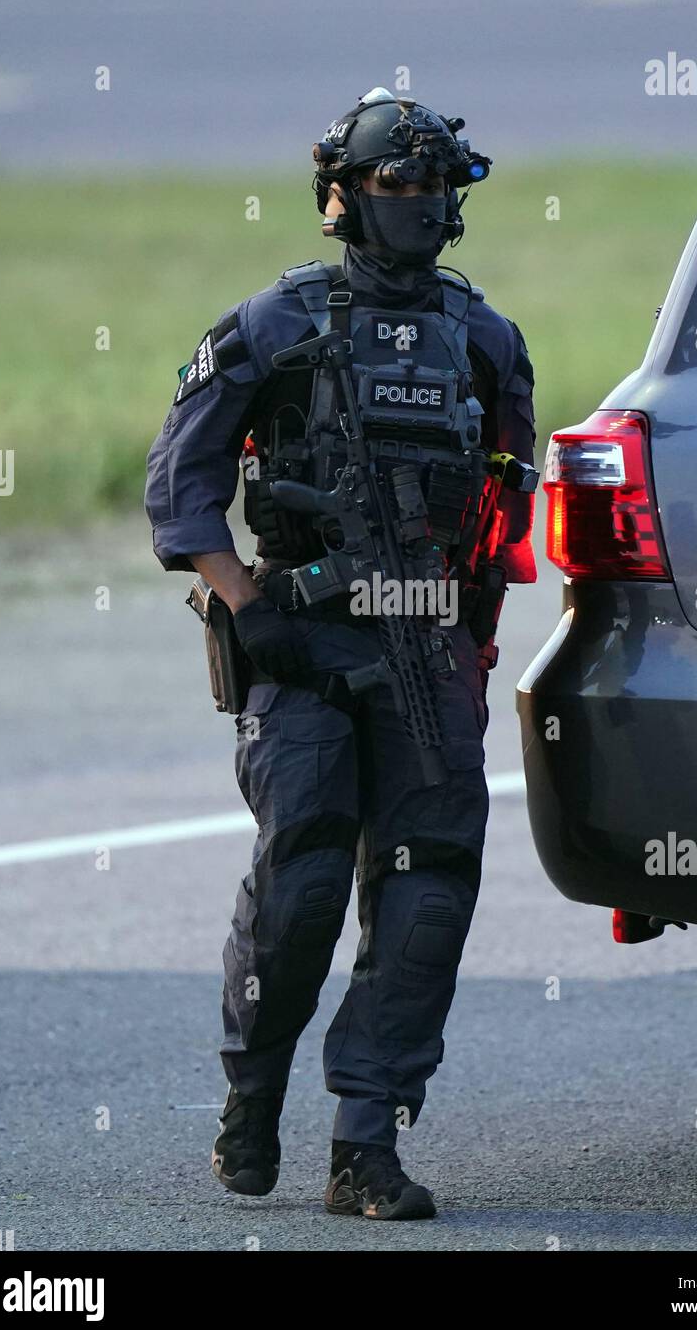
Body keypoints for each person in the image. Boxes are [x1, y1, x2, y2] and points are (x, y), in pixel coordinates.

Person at [144, 87, 537, 1221]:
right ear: (343, 197)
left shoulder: (486, 339)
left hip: (431, 657)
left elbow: (506, 513)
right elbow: (182, 488)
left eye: (434, 188)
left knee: (426, 897)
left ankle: (366, 1142)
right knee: (307, 880)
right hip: (306, 644)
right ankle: (252, 1098)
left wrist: (469, 640)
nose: (416, 205)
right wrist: (244, 604)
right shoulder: (273, 324)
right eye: (395, 184)